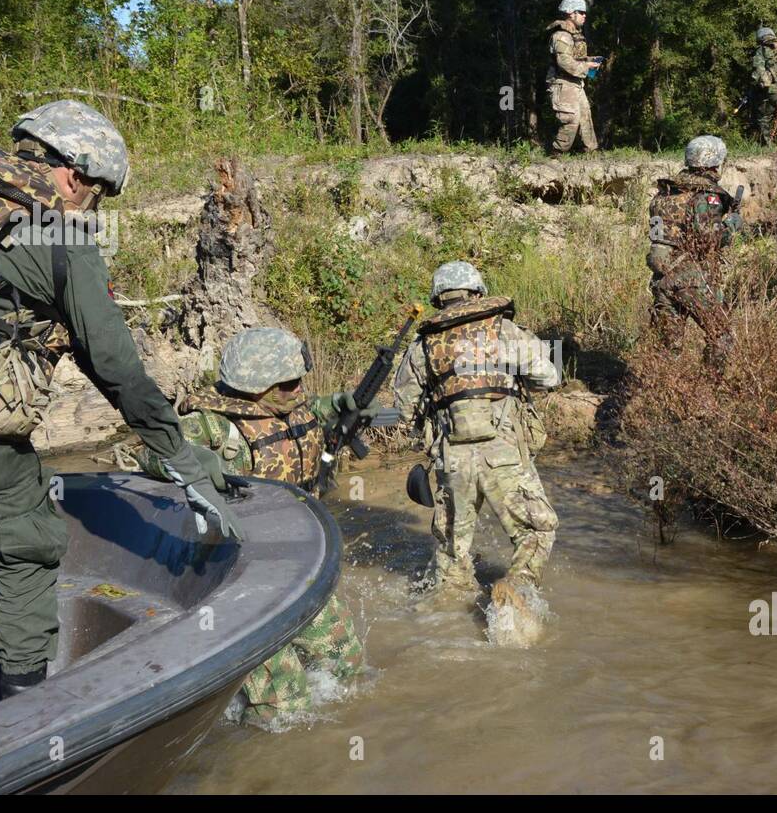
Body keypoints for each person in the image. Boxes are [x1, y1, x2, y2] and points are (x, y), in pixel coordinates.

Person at [0, 100, 241, 696]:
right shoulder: (57, 234)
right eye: (98, 194)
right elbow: (114, 365)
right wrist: (181, 456)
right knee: (26, 547)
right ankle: (24, 710)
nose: (93, 206)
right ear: (74, 173)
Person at [130, 327, 367, 728]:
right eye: (288, 384)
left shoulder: (290, 406)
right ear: (256, 387)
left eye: (298, 382)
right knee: (285, 704)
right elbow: (151, 452)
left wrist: (339, 404)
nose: (298, 390)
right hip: (239, 580)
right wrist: (194, 463)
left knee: (346, 663)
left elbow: (315, 409)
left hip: (294, 565)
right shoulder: (212, 425)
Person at [392, 261, 559, 637]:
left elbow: (404, 405)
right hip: (504, 454)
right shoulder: (504, 330)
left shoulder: (425, 344)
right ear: (478, 293)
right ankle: (516, 586)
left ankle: (444, 624)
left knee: (453, 553)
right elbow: (549, 377)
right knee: (536, 529)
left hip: (452, 458)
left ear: (439, 299)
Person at [647, 135, 739, 361]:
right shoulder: (706, 196)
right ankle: (710, 391)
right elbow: (709, 239)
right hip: (690, 279)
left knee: (666, 350)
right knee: (722, 336)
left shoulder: (664, 194)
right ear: (715, 163)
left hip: (660, 279)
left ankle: (657, 393)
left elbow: (661, 235)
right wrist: (732, 225)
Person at [546, 0, 602, 155]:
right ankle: (556, 155)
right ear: (571, 13)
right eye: (581, 12)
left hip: (575, 83)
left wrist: (589, 61)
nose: (585, 15)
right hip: (562, 84)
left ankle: (591, 154)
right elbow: (564, 62)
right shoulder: (561, 36)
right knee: (571, 119)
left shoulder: (573, 34)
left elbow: (573, 58)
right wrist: (586, 66)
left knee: (585, 117)